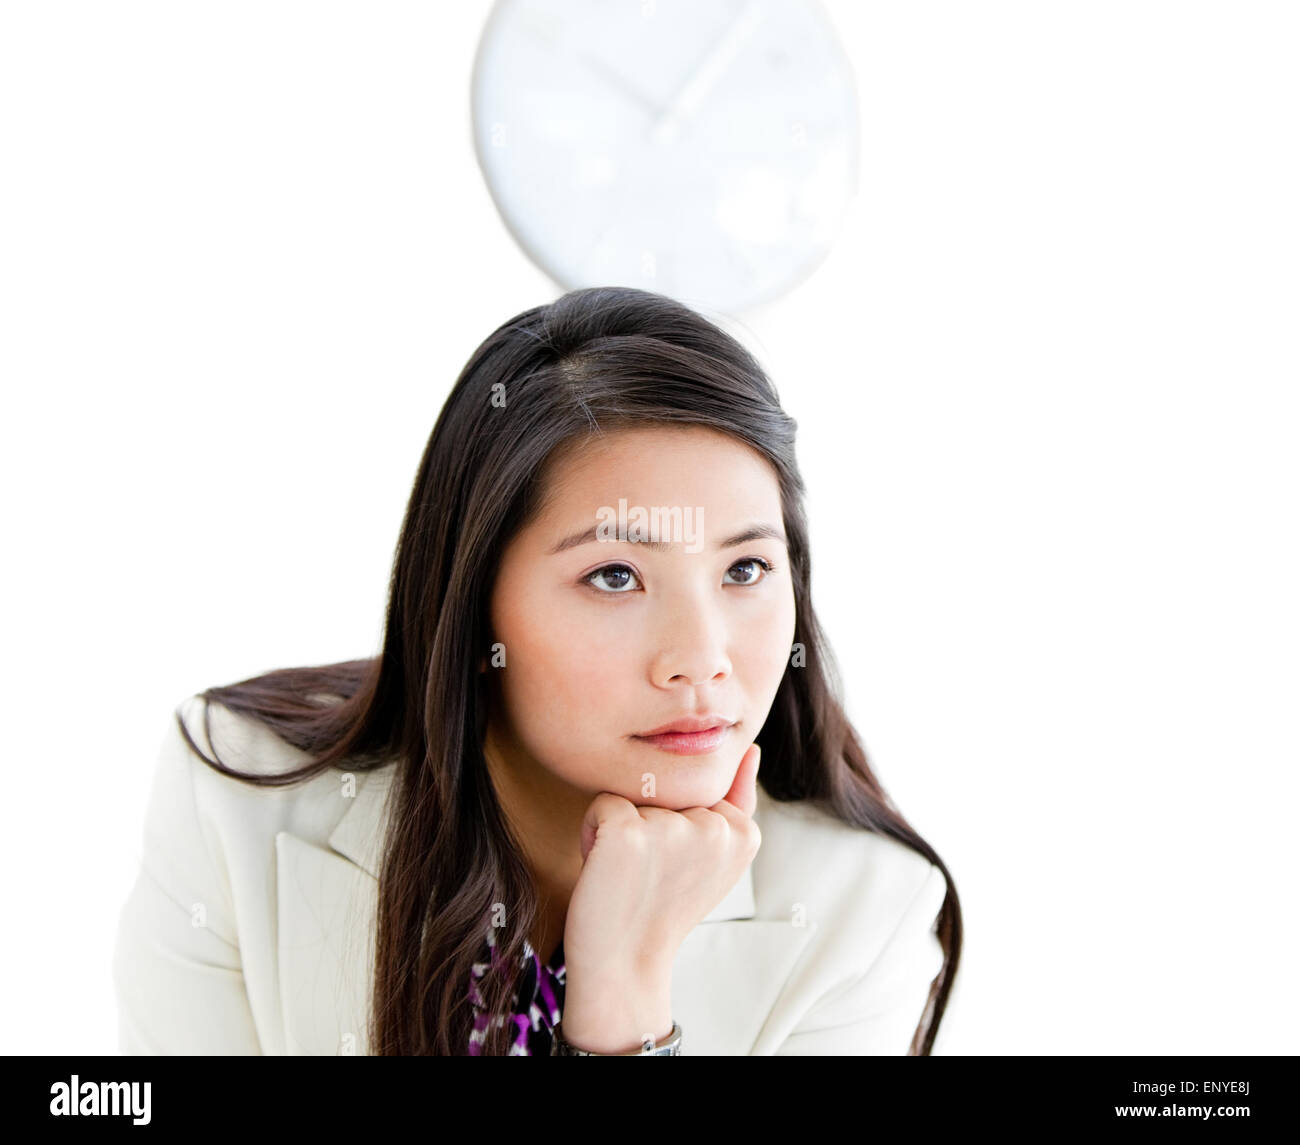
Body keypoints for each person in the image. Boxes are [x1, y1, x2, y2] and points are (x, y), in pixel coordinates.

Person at [112, 285, 963, 1056]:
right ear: (477, 596)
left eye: (745, 570)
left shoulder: (863, 915)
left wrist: (625, 1008)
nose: (701, 660)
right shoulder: (233, 796)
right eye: (615, 576)